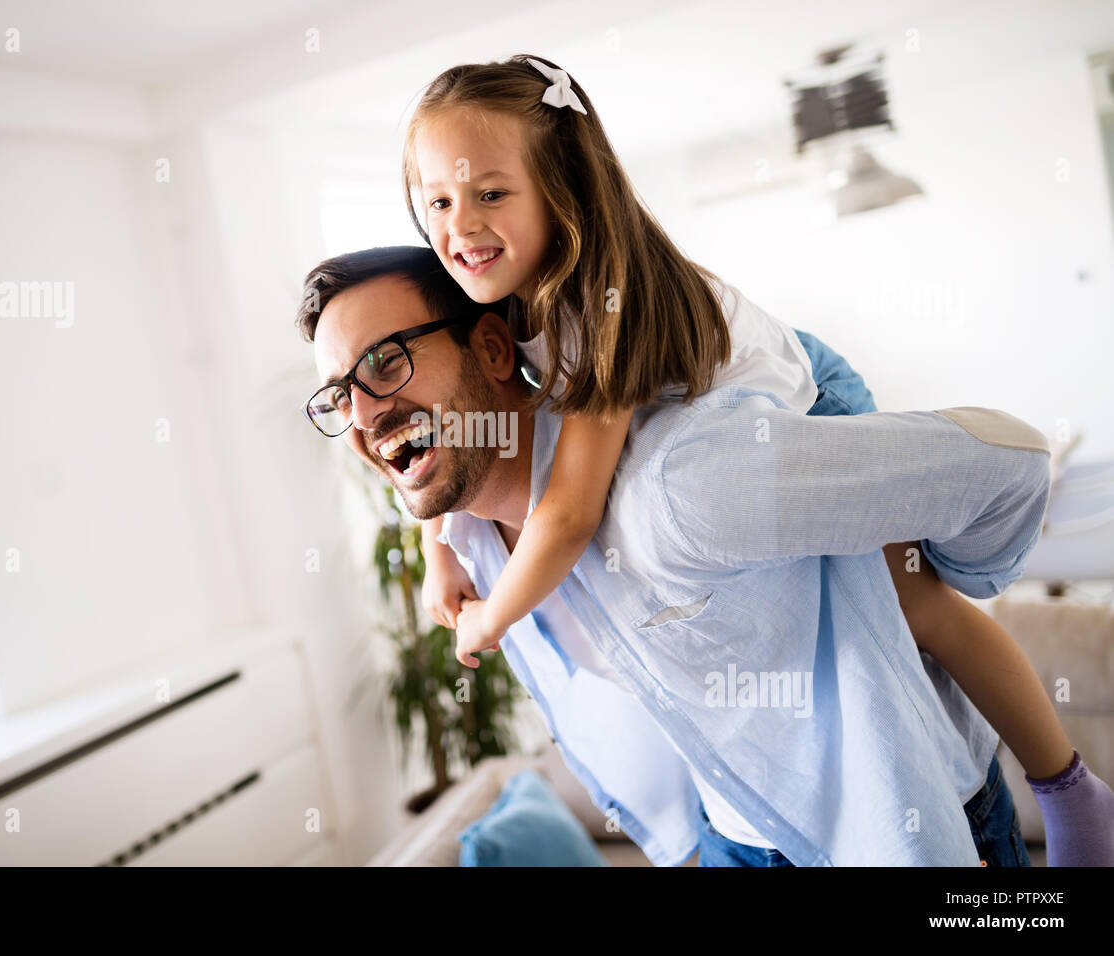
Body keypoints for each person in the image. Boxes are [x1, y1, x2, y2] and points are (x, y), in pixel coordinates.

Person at [389, 54, 1112, 865]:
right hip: (715, 420)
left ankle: (1070, 791)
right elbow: (465, 418)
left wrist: (493, 616)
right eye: (439, 200)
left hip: (803, 389)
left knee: (917, 606)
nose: (461, 224)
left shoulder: (596, 300)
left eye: (491, 193)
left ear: (564, 192)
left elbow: (568, 512)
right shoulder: (496, 290)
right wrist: (439, 543)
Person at [298, 244, 1114, 866]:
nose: (363, 411)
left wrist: (946, 564)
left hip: (904, 827)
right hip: (734, 839)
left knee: (917, 600)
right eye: (339, 394)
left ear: (489, 346)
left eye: (384, 360)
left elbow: (1006, 465)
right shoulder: (470, 540)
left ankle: (1076, 793)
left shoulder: (686, 481)